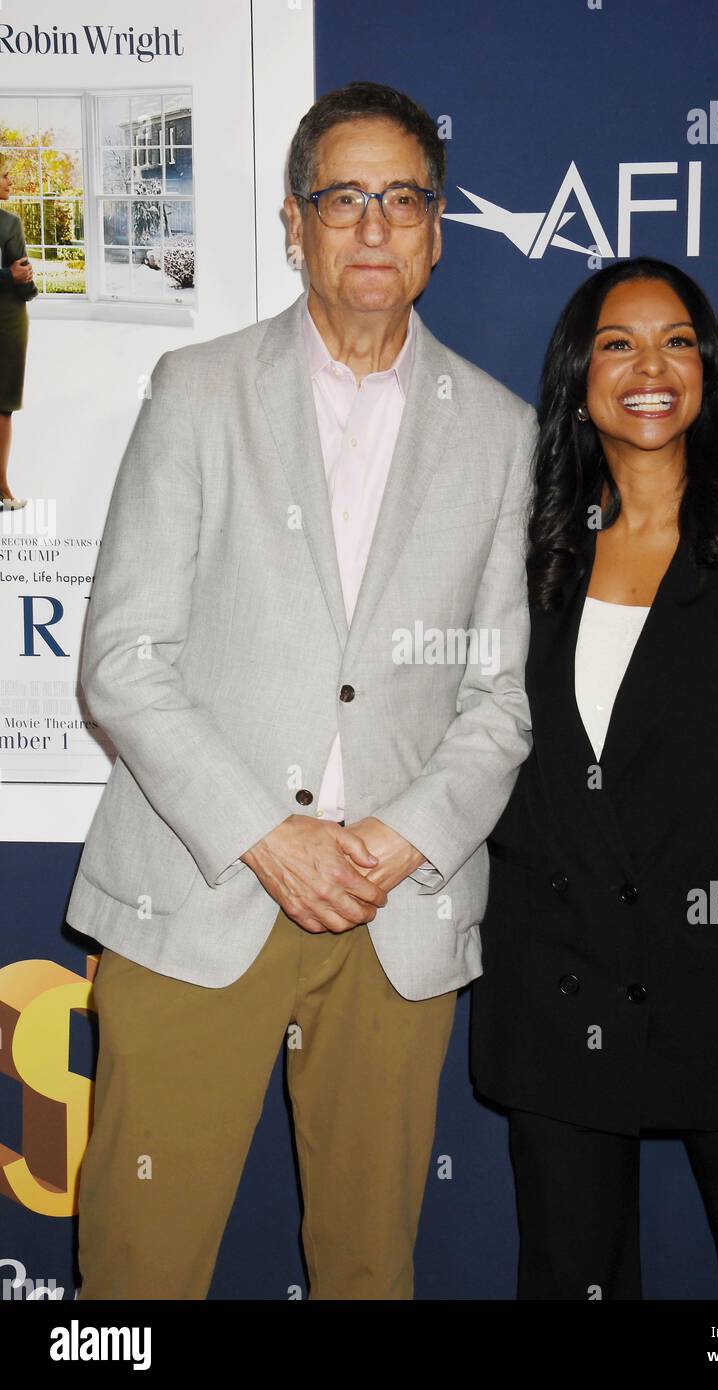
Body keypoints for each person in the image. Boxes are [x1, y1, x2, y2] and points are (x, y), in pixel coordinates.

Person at [69, 81, 537, 1300]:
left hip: (395, 910)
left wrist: (396, 840)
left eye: (403, 200)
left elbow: (499, 700)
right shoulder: (197, 390)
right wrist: (268, 838)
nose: (373, 227)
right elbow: (123, 656)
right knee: (136, 1270)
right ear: (295, 223)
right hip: (200, 885)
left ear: (437, 231)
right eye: (343, 199)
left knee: (370, 1270)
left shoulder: (501, 433)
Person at [470, 257, 718, 1300]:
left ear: (709, 370)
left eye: (676, 342)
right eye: (618, 344)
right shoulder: (520, 545)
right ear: (578, 378)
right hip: (558, 989)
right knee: (572, 1279)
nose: (649, 367)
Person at [0, 154, 37, 510]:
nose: (9, 180)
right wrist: (20, 278)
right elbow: (22, 284)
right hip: (8, 320)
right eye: (4, 175)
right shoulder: (9, 224)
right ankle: (3, 490)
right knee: (3, 405)